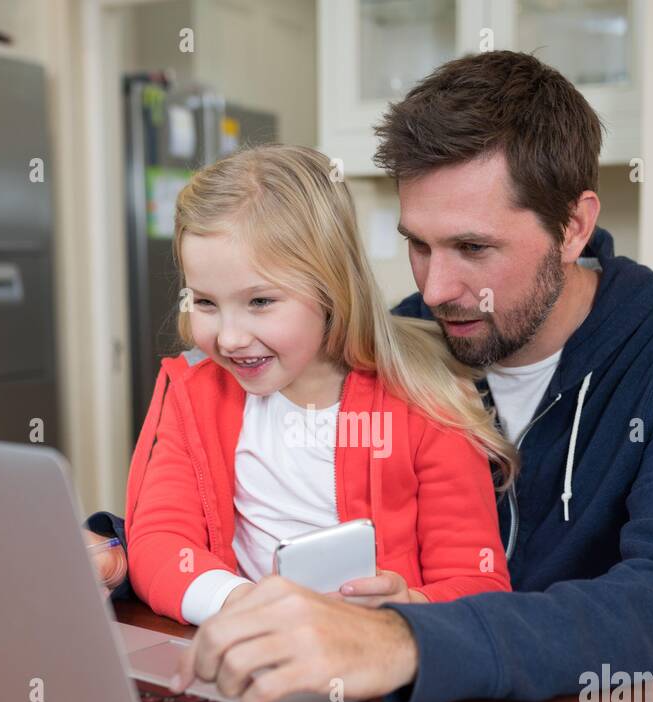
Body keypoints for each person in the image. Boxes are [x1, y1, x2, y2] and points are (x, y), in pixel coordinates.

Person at [89, 51, 653, 702]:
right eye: (418, 244)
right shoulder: (412, 338)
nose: (435, 291)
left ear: (574, 226)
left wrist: (407, 637)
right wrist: (126, 551)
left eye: (473, 248)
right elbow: (273, 495)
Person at [90, 143, 514, 633]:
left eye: (261, 301)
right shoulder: (192, 397)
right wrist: (242, 605)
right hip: (246, 656)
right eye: (205, 302)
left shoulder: (426, 407)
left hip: (377, 678)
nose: (229, 337)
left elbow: (477, 583)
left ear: (332, 289)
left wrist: (411, 607)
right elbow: (160, 541)